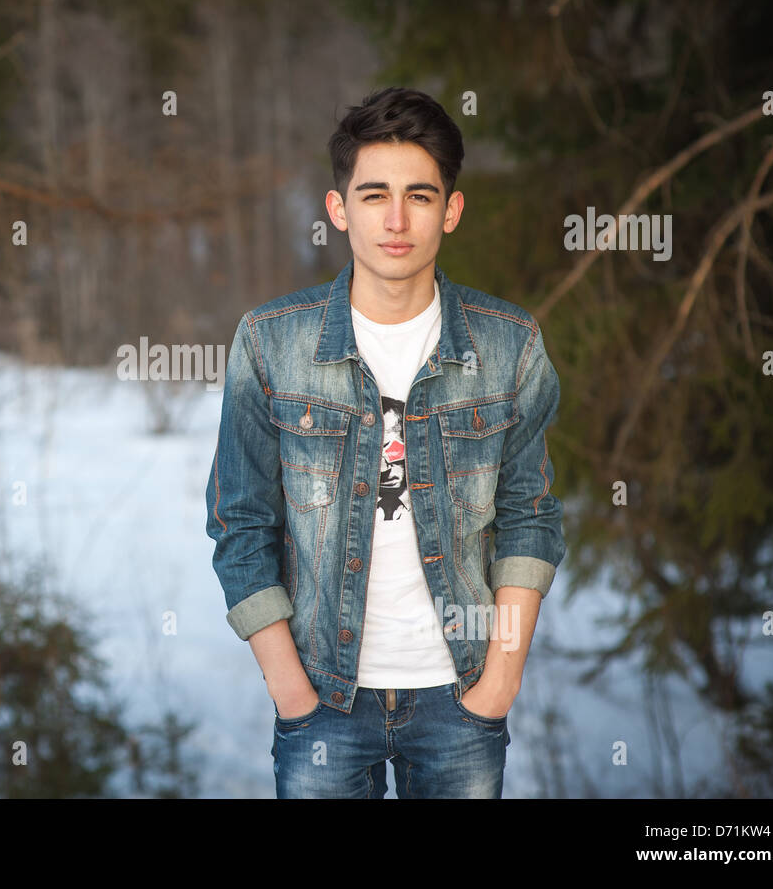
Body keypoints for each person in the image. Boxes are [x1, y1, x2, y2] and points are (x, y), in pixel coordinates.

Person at [205, 87, 566, 798]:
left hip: (460, 701)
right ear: (339, 209)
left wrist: (500, 679)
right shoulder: (270, 342)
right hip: (323, 703)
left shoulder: (510, 345)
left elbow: (531, 515)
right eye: (374, 195)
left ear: (451, 210)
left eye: (420, 196)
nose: (395, 220)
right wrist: (291, 692)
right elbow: (239, 521)